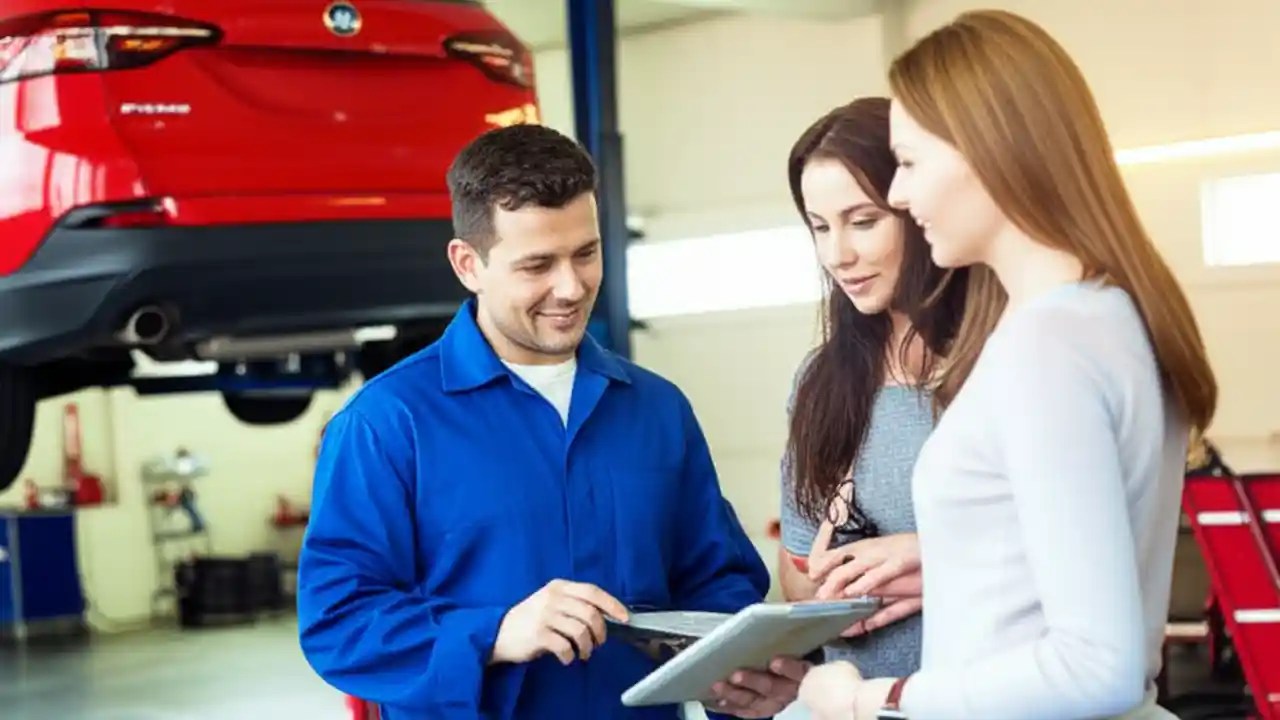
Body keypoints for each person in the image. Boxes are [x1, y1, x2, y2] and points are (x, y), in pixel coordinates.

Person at [297, 124, 805, 720]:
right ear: (468, 264)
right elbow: (340, 621)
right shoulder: (386, 424)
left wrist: (736, 674)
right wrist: (495, 632)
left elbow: (716, 580)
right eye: (537, 264)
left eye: (586, 253)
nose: (570, 287)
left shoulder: (656, 410)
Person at [798, 10, 1217, 720]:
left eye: (909, 162)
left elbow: (1097, 667)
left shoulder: (1047, 347)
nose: (898, 194)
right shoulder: (1107, 318)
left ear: (987, 149)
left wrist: (872, 699)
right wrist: (953, 552)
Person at [776, 97, 967, 681]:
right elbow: (797, 579)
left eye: (863, 221)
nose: (838, 255)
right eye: (820, 227)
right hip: (853, 701)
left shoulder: (996, 366)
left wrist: (937, 559)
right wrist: (832, 587)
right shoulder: (820, 382)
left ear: (918, 205)